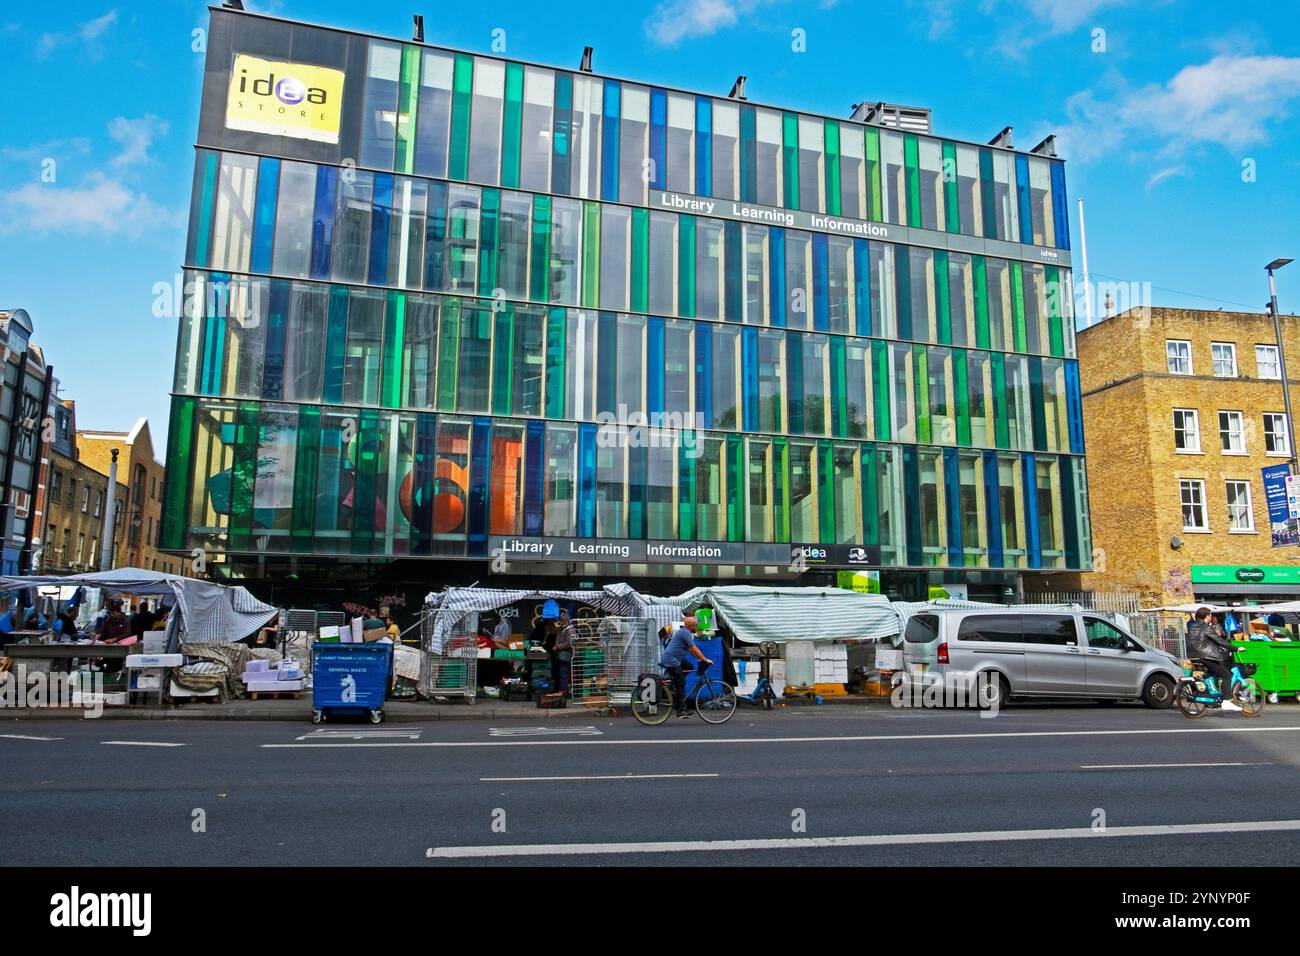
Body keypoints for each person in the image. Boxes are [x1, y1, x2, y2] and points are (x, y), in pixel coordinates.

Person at [1187, 606, 1240, 711]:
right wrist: (1235, 648)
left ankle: (1211, 696)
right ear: (1207, 616)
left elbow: (1203, 641)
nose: (1211, 617)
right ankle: (1226, 701)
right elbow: (1220, 641)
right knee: (1226, 675)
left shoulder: (1192, 626)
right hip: (1205, 656)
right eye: (1210, 615)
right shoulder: (1206, 627)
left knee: (1211, 674)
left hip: (1193, 656)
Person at [660, 616, 713, 718]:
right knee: (681, 683)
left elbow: (691, 650)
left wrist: (700, 659)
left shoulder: (686, 632)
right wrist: (705, 659)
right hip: (671, 660)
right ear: (691, 625)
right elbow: (694, 648)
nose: (697, 627)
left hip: (676, 659)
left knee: (689, 666)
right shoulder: (685, 633)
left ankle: (675, 685)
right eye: (696, 625)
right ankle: (681, 710)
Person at [554, 614, 576, 694]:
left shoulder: (570, 629)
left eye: (562, 620)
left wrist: (557, 647)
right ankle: (564, 690)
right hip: (561, 654)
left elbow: (569, 643)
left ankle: (564, 690)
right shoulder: (561, 629)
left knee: (564, 672)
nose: (561, 622)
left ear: (567, 620)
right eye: (561, 620)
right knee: (563, 672)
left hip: (567, 654)